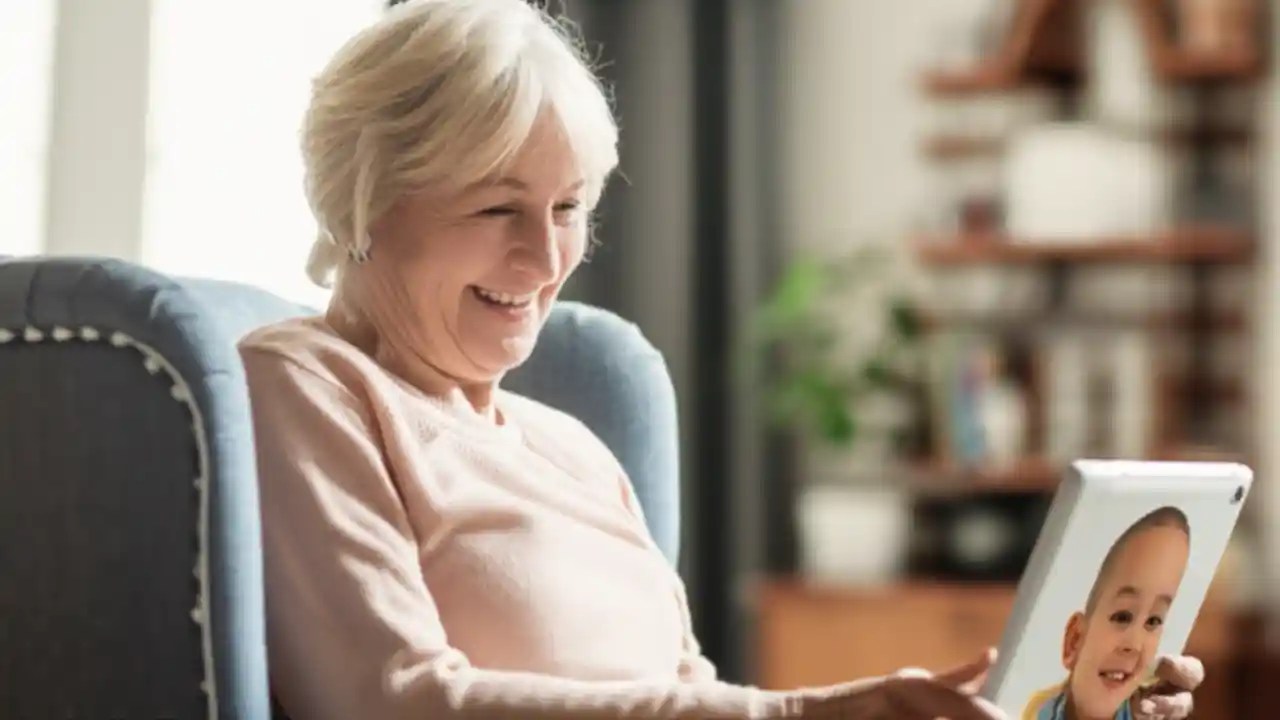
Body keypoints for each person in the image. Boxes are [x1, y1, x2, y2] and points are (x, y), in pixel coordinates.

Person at [238, 1, 1200, 718]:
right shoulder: (308, 387)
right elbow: (396, 700)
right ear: (362, 203)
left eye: (569, 207)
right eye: (496, 208)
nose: (545, 259)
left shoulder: (572, 449)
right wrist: (798, 716)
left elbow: (696, 697)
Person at [1021, 507, 1200, 720]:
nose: (1134, 645)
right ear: (1074, 640)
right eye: (1122, 617)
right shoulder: (1028, 713)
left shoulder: (1145, 710)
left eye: (1153, 621)